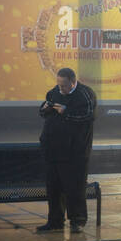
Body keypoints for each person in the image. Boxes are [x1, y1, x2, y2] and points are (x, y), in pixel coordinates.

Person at [37, 67, 97, 232]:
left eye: (63, 85)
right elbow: (45, 111)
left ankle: (77, 221)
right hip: (53, 148)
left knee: (74, 187)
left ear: (72, 82)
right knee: (54, 187)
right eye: (58, 84)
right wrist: (45, 109)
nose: (60, 89)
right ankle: (55, 221)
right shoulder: (54, 93)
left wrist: (65, 111)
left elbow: (88, 116)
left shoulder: (85, 94)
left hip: (74, 151)